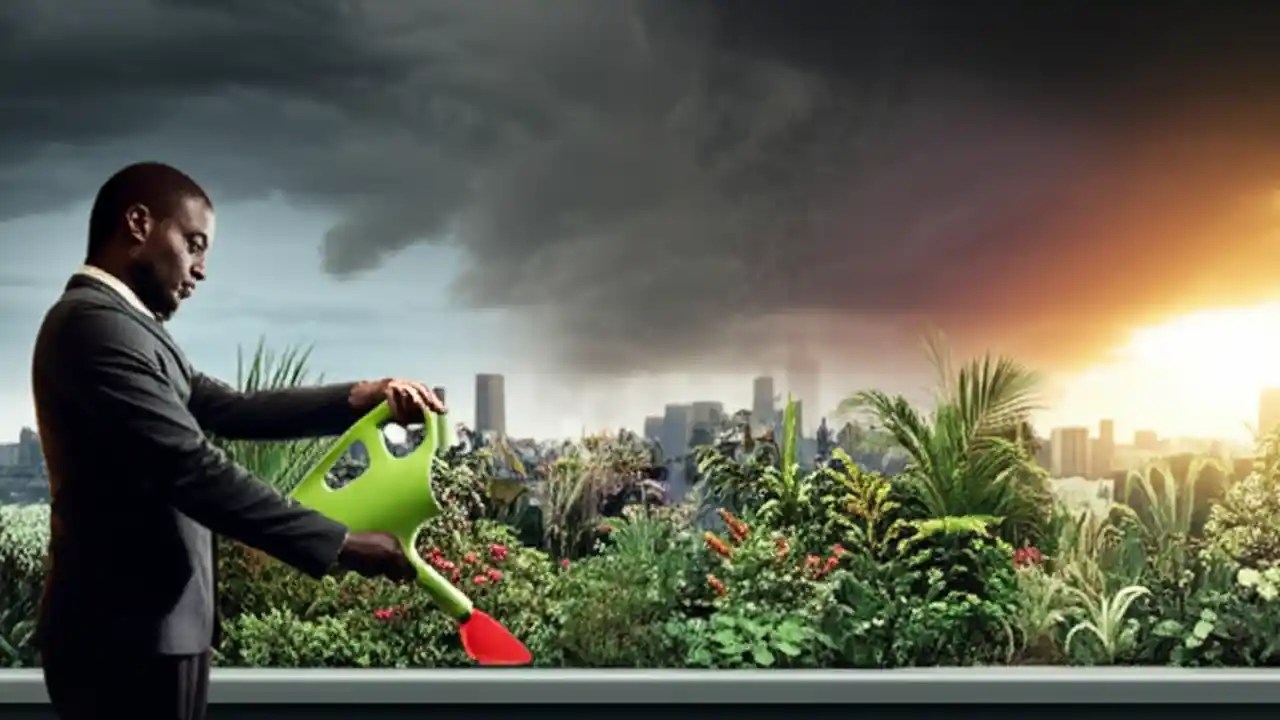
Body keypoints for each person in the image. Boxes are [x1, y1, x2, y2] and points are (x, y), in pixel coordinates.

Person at [29, 161, 447, 720]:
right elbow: (191, 468)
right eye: (194, 244)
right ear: (138, 224)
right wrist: (340, 542)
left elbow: (228, 408)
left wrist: (363, 395)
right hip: (125, 641)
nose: (200, 269)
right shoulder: (95, 328)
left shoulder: (128, 328)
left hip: (150, 632)